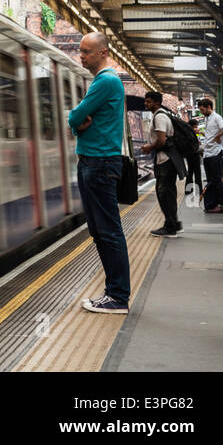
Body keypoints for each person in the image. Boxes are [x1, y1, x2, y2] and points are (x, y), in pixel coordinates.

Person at [68, 32, 131, 315]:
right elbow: (79, 118)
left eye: (86, 51)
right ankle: (114, 293)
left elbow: (74, 116)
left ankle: (117, 296)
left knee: (107, 231)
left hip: (99, 163)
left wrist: (77, 124)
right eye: (81, 51)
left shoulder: (105, 81)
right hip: (97, 163)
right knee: (102, 230)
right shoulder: (107, 81)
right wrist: (79, 123)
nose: (81, 56)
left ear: (103, 52)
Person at [140, 91, 183, 237]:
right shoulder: (161, 115)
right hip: (166, 160)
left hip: (166, 160)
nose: (146, 104)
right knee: (167, 193)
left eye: (149, 101)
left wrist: (148, 147)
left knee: (164, 193)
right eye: (146, 101)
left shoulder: (159, 117)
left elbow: (161, 140)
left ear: (157, 103)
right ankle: (173, 223)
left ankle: (170, 227)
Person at [198, 97, 223, 214]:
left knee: (216, 180)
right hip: (208, 154)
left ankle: (222, 204)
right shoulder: (208, 118)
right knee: (211, 180)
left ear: (209, 107)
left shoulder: (216, 117)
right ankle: (211, 205)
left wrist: (217, 137)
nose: (201, 112)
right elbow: (211, 132)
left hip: (215, 153)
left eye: (202, 110)